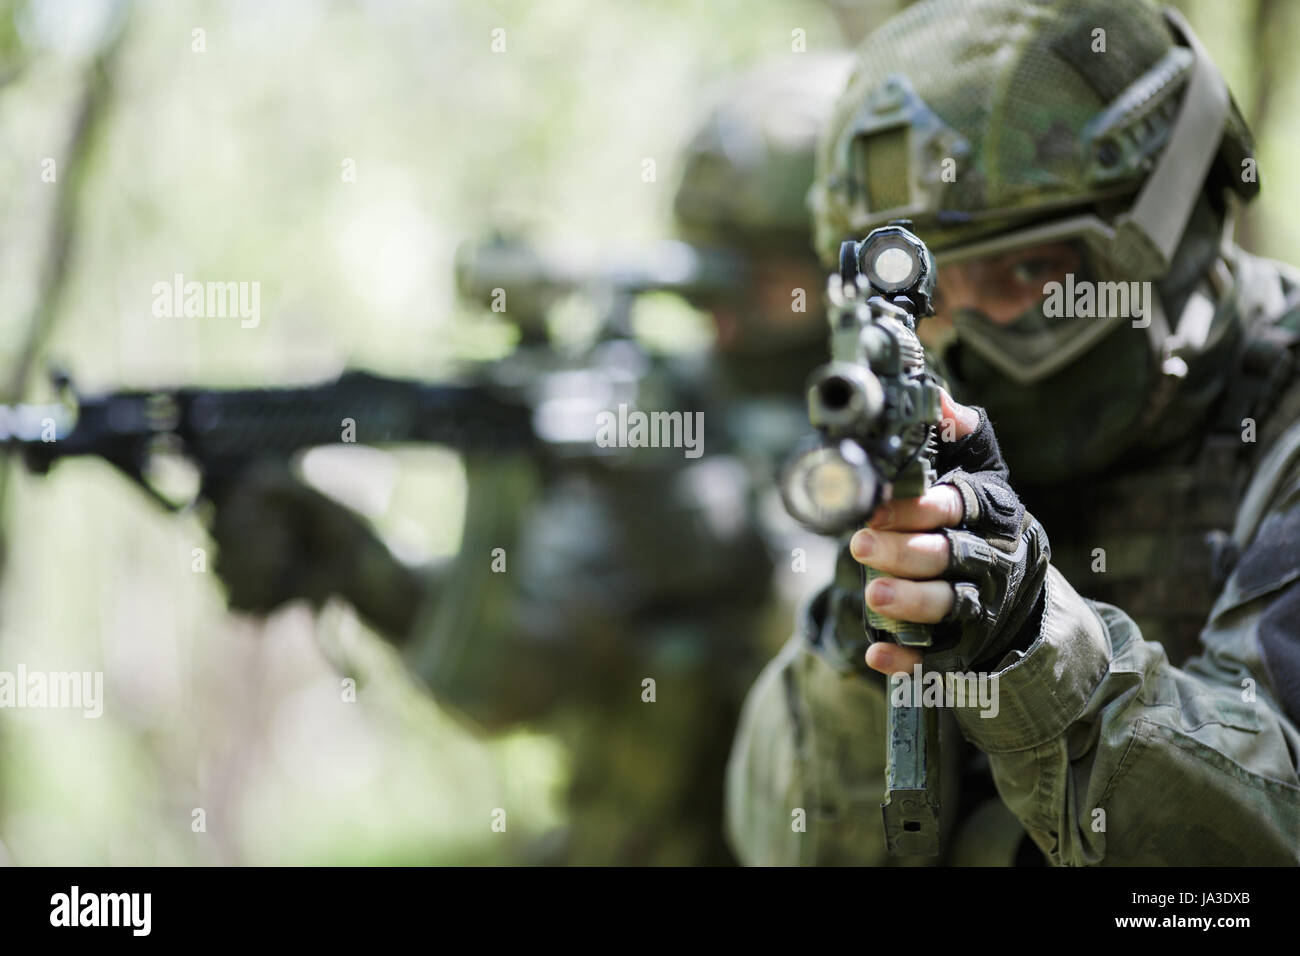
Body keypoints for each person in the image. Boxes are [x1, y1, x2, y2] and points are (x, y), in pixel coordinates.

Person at [207, 54, 850, 864]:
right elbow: (504, 680)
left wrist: (746, 548)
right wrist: (364, 569)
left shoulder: (911, 413)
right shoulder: (660, 411)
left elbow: (873, 656)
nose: (722, 310)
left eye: (762, 274)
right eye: (708, 271)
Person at [726, 0, 1300, 866]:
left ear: (1168, 229)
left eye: (1030, 271)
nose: (967, 339)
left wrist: (1032, 645)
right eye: (927, 297)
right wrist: (861, 650)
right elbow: (790, 844)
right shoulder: (915, 433)